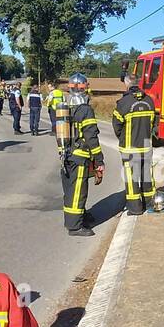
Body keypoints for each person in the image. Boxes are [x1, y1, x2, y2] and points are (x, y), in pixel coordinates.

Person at [59, 73, 105, 236]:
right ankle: (75, 227)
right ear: (85, 88)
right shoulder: (85, 110)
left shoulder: (65, 106)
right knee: (78, 191)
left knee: (70, 190)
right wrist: (100, 160)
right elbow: (91, 136)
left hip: (67, 155)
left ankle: (79, 216)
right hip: (79, 157)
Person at [113, 73, 158, 215]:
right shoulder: (149, 101)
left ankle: (135, 208)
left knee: (131, 178)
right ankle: (150, 203)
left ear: (127, 84)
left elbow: (117, 126)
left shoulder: (123, 103)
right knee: (146, 176)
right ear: (138, 83)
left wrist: (123, 138)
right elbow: (154, 124)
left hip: (129, 148)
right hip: (146, 147)